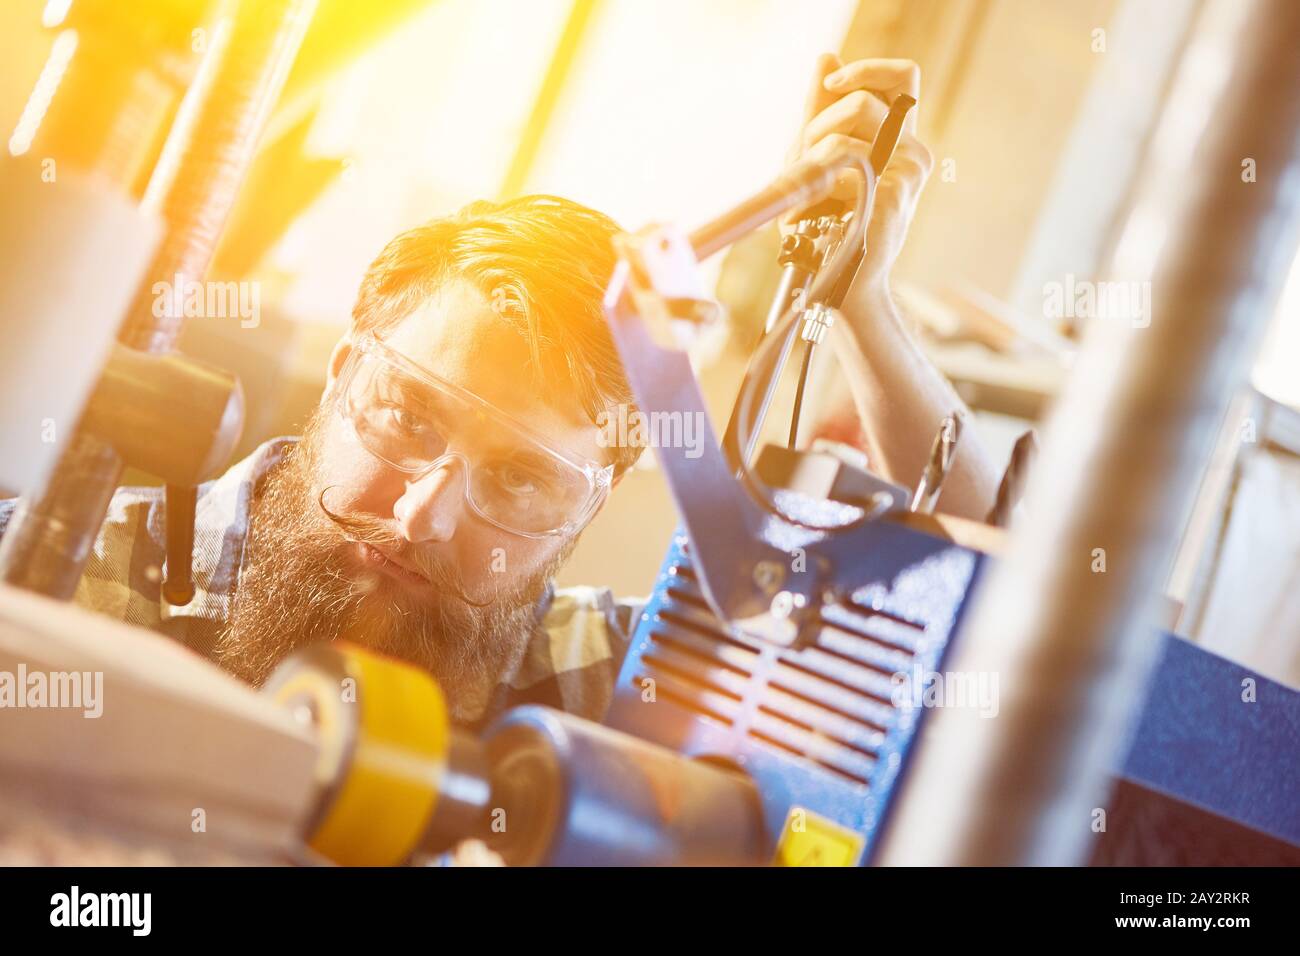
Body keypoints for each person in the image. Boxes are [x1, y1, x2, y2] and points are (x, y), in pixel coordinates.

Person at [0, 57, 996, 727]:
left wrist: (863, 303)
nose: (425, 514)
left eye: (521, 480)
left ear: (591, 503)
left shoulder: (601, 683)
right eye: (407, 415)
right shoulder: (70, 573)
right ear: (344, 370)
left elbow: (1015, 624)